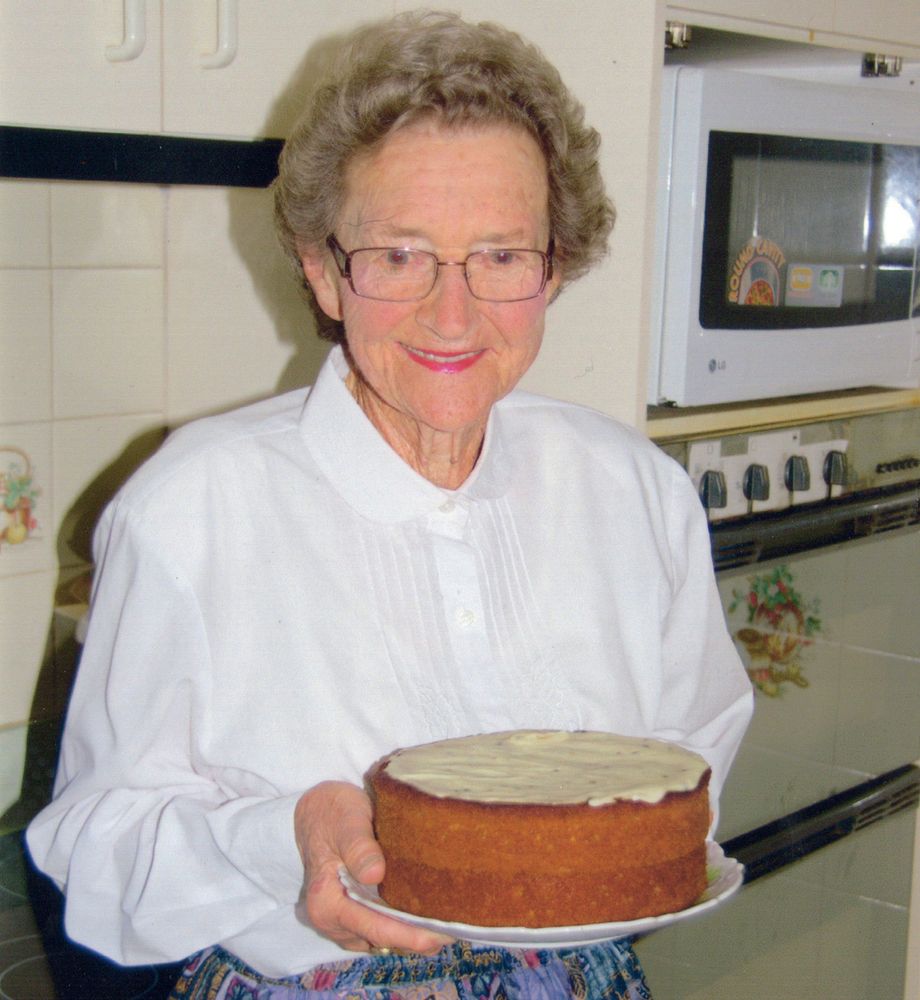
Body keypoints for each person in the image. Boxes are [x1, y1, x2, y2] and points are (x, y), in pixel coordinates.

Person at [26, 10, 752, 999]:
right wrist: (284, 834)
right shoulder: (193, 508)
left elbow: (693, 756)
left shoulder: (633, 494)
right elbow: (91, 851)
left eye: (499, 256)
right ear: (324, 270)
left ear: (556, 264)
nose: (450, 315)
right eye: (399, 255)